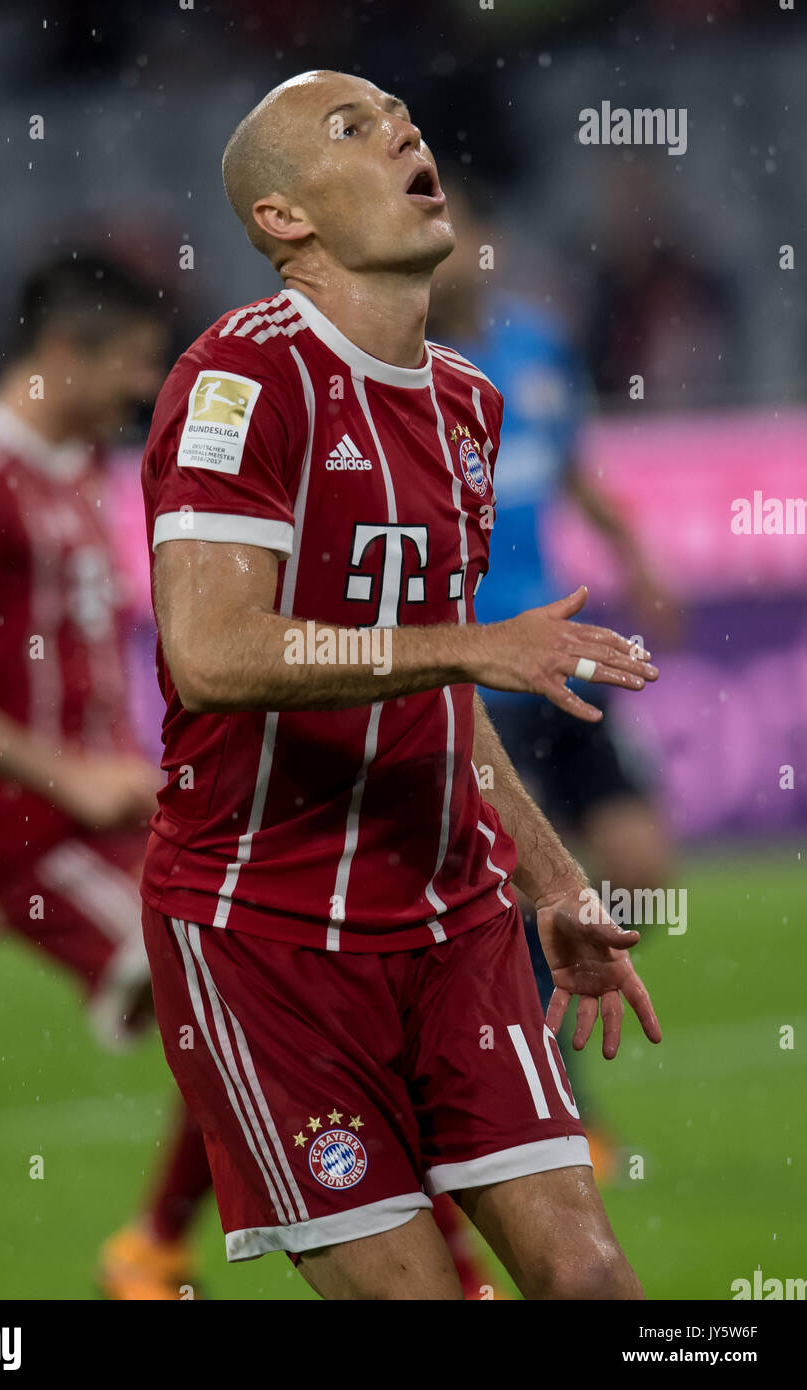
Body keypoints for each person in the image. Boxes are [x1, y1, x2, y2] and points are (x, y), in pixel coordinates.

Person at [140, 69, 662, 1301]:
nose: (405, 135)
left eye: (406, 123)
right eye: (353, 129)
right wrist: (463, 645)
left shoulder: (469, 406)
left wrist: (555, 883)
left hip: (453, 923)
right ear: (285, 219)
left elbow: (444, 702)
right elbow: (209, 653)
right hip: (264, 932)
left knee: (592, 1278)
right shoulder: (236, 380)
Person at [0, 253, 212, 1300]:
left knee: (271, 1006)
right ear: (65, 351)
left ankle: (153, 1252)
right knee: (249, 1008)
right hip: (53, 832)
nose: (138, 395)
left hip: (110, 822)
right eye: (131, 368)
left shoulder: (75, 465)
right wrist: (54, 796)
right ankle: (153, 1251)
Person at [429, 177, 676, 1174]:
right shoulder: (413, 368)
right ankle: (554, 1101)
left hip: (563, 651)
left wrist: (639, 558)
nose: (453, 254)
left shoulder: (536, 343)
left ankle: (533, 1027)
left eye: (464, 233)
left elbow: (569, 465)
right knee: (523, 886)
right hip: (482, 667)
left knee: (641, 871)